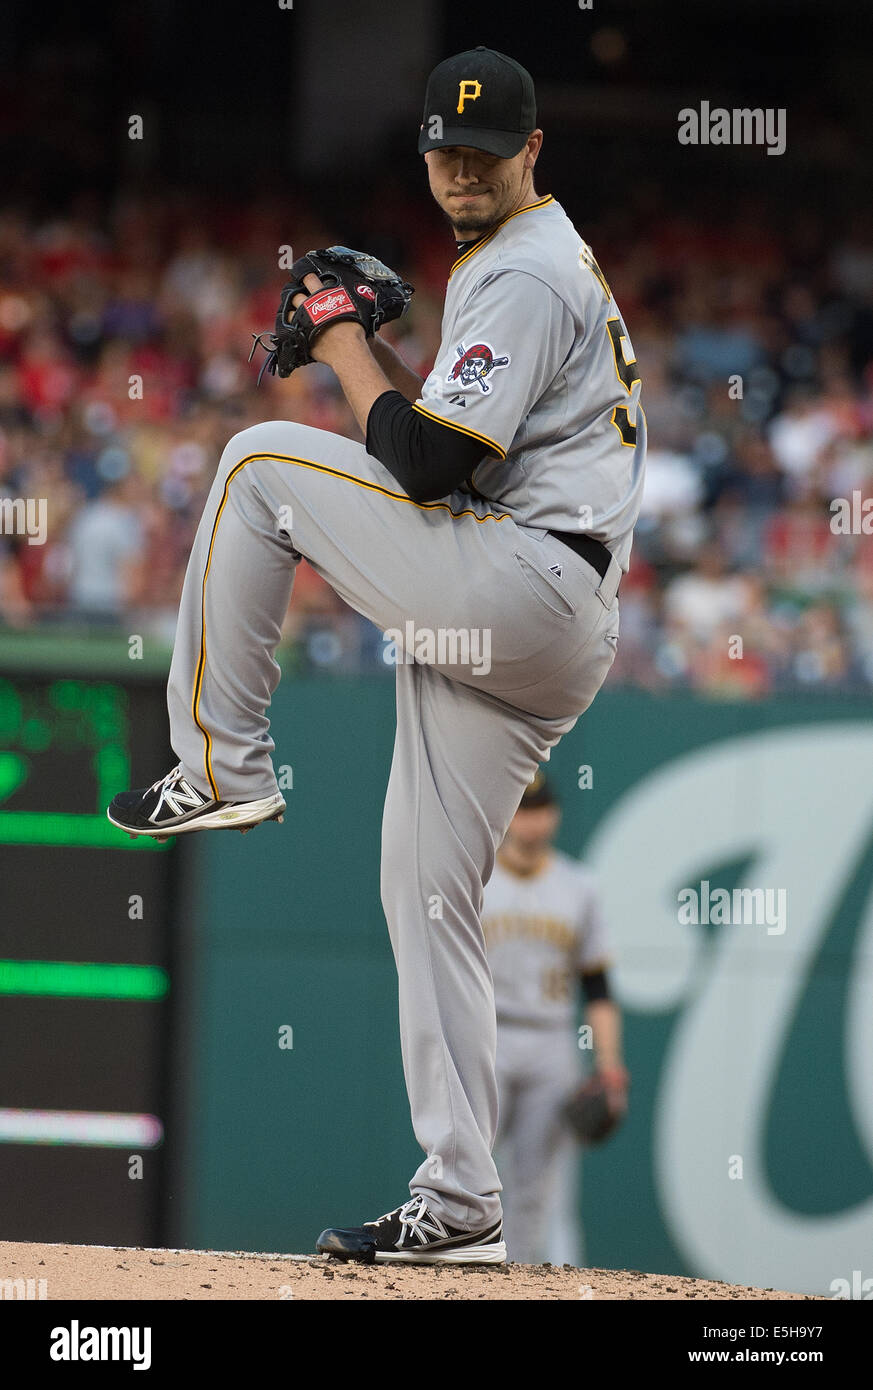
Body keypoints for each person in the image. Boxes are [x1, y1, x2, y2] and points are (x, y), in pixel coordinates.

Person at [107, 46, 645, 1265]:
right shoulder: (526, 264)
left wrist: (345, 338)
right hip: (539, 612)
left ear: (533, 151)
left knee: (254, 465)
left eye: (484, 151)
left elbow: (424, 470)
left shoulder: (522, 271)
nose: (460, 169)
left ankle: (225, 764)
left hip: (523, 579)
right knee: (428, 888)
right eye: (443, 151)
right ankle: (461, 1199)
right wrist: (376, 362)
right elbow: (453, 444)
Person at [483, 771, 628, 1265]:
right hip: (487, 1037)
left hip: (551, 1042)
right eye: (524, 809)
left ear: (555, 814)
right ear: (506, 814)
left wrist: (609, 1066)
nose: (533, 821)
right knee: (467, 1173)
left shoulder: (578, 885)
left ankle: (518, 1285)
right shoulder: (475, 880)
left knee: (536, 1187)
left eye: (542, 809)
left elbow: (598, 985)